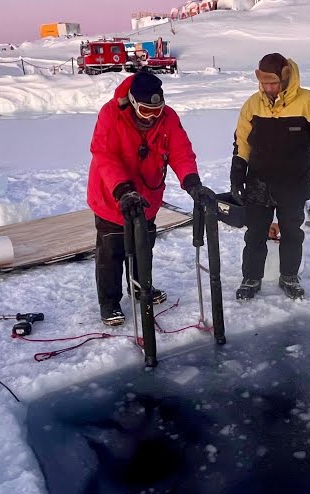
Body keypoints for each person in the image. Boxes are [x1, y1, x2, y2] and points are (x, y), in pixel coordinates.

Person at [87, 71, 218, 326]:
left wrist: (192, 182)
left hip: (147, 195)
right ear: (134, 103)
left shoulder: (168, 117)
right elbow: (104, 155)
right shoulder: (110, 114)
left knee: (143, 245)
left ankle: (140, 286)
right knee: (112, 250)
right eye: (147, 110)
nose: (154, 116)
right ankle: (109, 301)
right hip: (112, 195)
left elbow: (180, 152)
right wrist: (123, 190)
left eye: (157, 110)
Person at [231, 53, 310, 300]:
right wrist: (237, 170)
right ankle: (251, 278)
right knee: (254, 233)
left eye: (273, 83)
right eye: (264, 83)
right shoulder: (253, 104)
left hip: (294, 182)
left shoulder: (308, 101)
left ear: (285, 78)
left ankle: (289, 276)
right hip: (258, 181)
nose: (268, 88)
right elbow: (242, 141)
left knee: (292, 233)